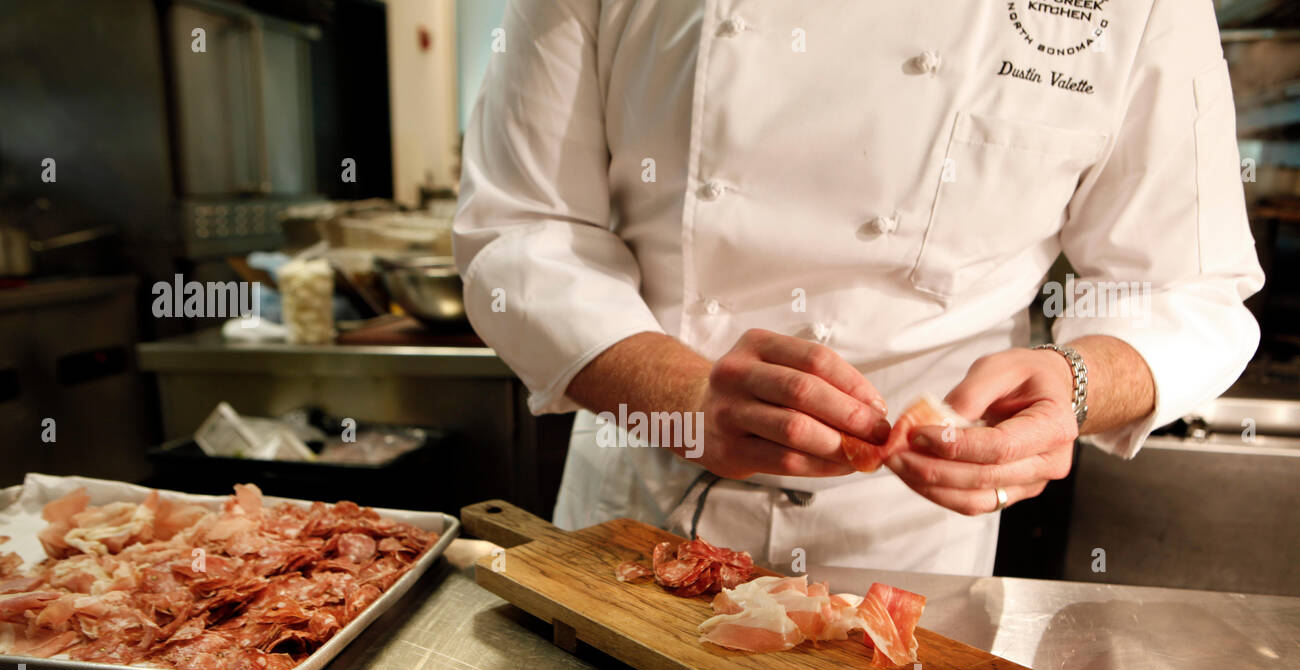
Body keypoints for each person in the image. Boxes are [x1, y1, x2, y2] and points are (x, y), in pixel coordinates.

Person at [453, 0, 1262, 590]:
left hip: (913, 551)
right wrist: (681, 396)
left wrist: (1077, 388)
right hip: (638, 514)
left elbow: (1186, 287)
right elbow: (522, 229)